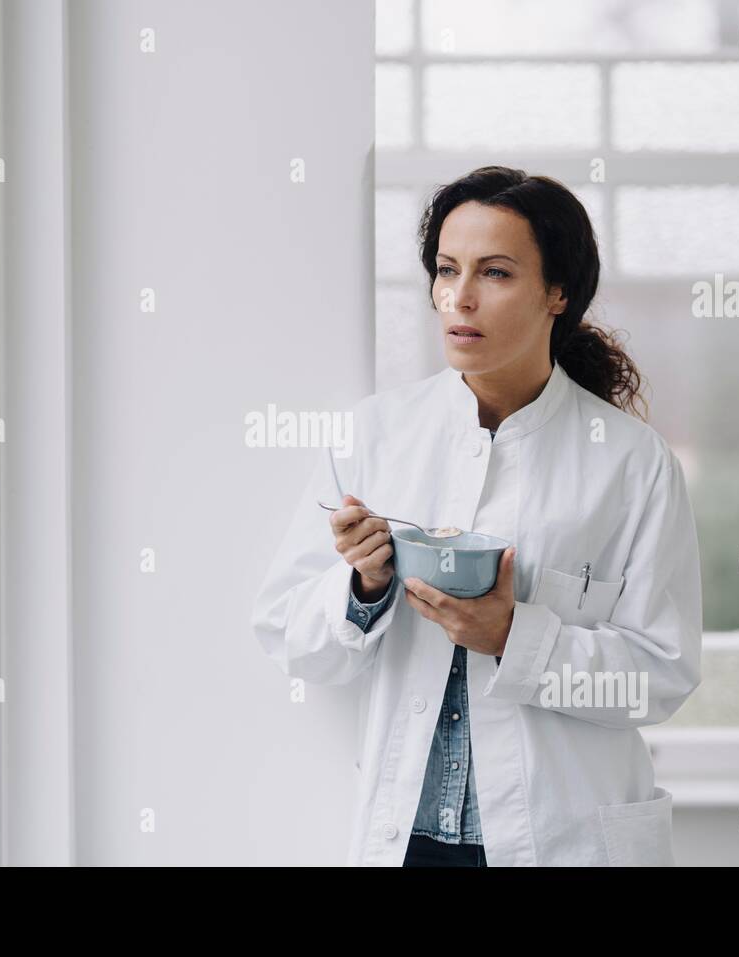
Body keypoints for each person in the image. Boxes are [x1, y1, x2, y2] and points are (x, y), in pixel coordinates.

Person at [252, 167, 703, 866]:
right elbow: (289, 633)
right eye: (446, 269)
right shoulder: (375, 434)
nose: (459, 297)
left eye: (494, 273)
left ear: (558, 292)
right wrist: (364, 588)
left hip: (563, 837)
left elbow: (661, 672)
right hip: (409, 838)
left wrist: (514, 636)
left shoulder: (631, 462)